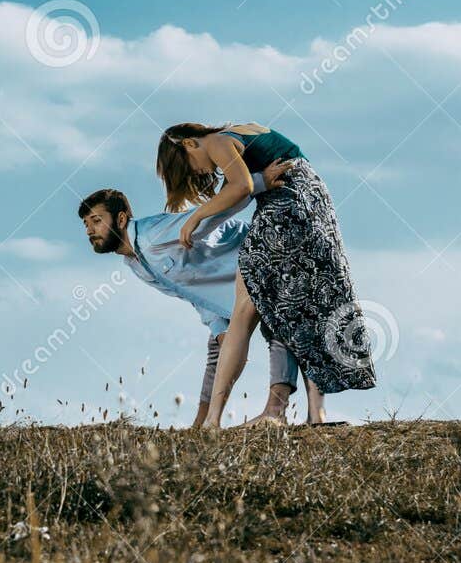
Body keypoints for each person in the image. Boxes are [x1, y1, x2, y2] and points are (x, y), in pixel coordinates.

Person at [156, 121, 376, 428]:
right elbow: (239, 194)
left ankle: (214, 420)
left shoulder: (217, 142)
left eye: (191, 168)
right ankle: (315, 414)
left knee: (244, 311)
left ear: (189, 144)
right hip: (313, 207)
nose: (201, 173)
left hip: (286, 211)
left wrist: (194, 218)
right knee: (306, 306)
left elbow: (241, 188)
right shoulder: (241, 132)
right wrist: (253, 182)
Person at [78, 170, 328, 426]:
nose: (89, 230)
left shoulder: (154, 234)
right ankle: (203, 421)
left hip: (260, 256)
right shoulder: (134, 262)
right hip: (230, 286)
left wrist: (257, 183)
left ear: (120, 219)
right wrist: (218, 326)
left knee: (279, 327)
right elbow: (193, 291)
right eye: (86, 223)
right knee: (218, 347)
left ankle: (280, 412)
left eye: (96, 220)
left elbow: (209, 216)